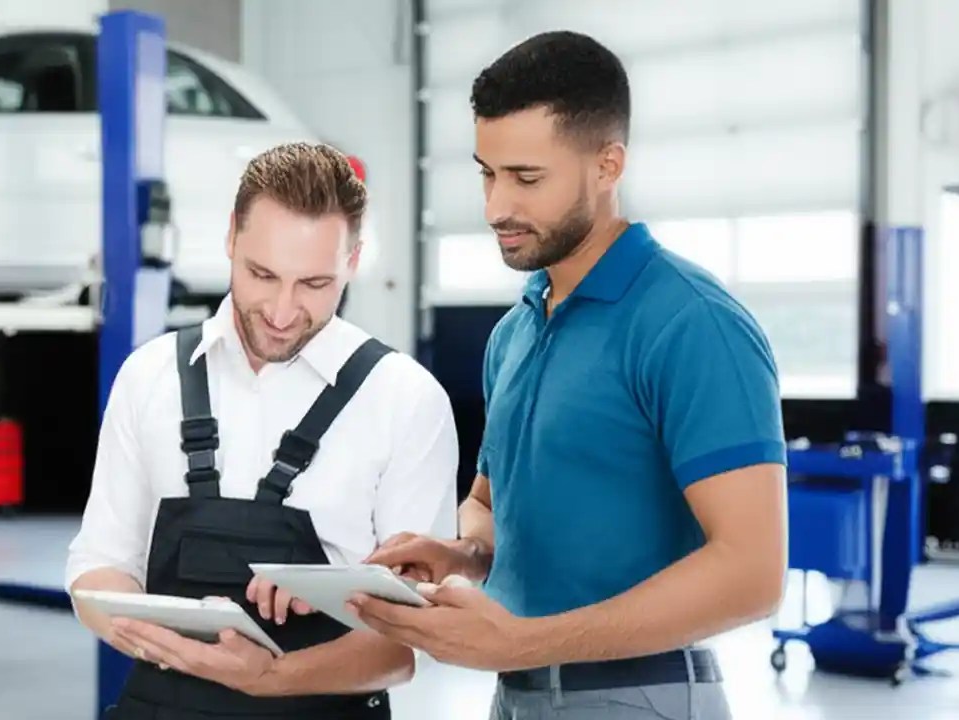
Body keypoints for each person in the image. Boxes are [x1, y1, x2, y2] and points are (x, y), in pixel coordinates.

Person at [349, 31, 789, 719]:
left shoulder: (692, 324)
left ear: (607, 164)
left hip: (643, 696)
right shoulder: (514, 333)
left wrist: (522, 642)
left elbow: (753, 574)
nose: (496, 206)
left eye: (526, 178)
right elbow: (492, 509)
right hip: (517, 695)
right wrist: (460, 554)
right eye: (487, 173)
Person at [65, 141, 459, 720]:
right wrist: (168, 640)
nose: (280, 311)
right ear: (231, 237)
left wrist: (270, 677)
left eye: (315, 284)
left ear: (353, 261)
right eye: (262, 274)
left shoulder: (405, 399)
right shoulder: (149, 377)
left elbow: (406, 646)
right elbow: (98, 568)